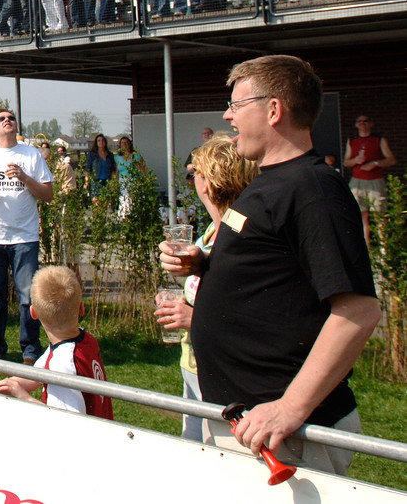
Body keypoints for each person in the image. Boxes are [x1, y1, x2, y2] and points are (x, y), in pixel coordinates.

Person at [164, 55, 380, 475]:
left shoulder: (314, 188)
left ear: (274, 110)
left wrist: (288, 408)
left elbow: (357, 311)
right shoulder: (269, 182)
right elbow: (276, 272)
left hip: (284, 435)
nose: (227, 116)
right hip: (248, 422)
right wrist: (204, 264)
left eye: (236, 106)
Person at [154, 133, 257, 442]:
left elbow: (246, 312)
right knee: (195, 444)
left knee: (217, 452)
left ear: (206, 184)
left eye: (194, 173)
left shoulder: (240, 235)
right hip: (194, 362)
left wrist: (191, 317)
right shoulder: (214, 230)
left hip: (224, 373)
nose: (193, 181)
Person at [0, 110, 54, 364]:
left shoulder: (31, 155)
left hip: (24, 238)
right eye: (2, 119)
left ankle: (30, 348)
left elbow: (48, 195)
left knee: (28, 297)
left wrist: (25, 177)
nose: (8, 121)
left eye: (11, 118)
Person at [0, 266, 113, 419]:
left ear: (33, 313)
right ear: (81, 308)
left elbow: (66, 421)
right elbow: (33, 376)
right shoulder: (85, 340)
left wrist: (24, 397)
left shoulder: (61, 364)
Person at [344, 114, 396, 246]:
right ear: (356, 125)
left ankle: (383, 251)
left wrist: (375, 163)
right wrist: (355, 160)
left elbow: (391, 160)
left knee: (379, 216)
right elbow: (346, 162)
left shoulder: (379, 139)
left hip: (375, 180)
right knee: (362, 216)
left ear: (371, 124)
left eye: (365, 121)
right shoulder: (352, 140)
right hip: (357, 182)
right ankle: (367, 250)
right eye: (359, 121)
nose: (362, 123)